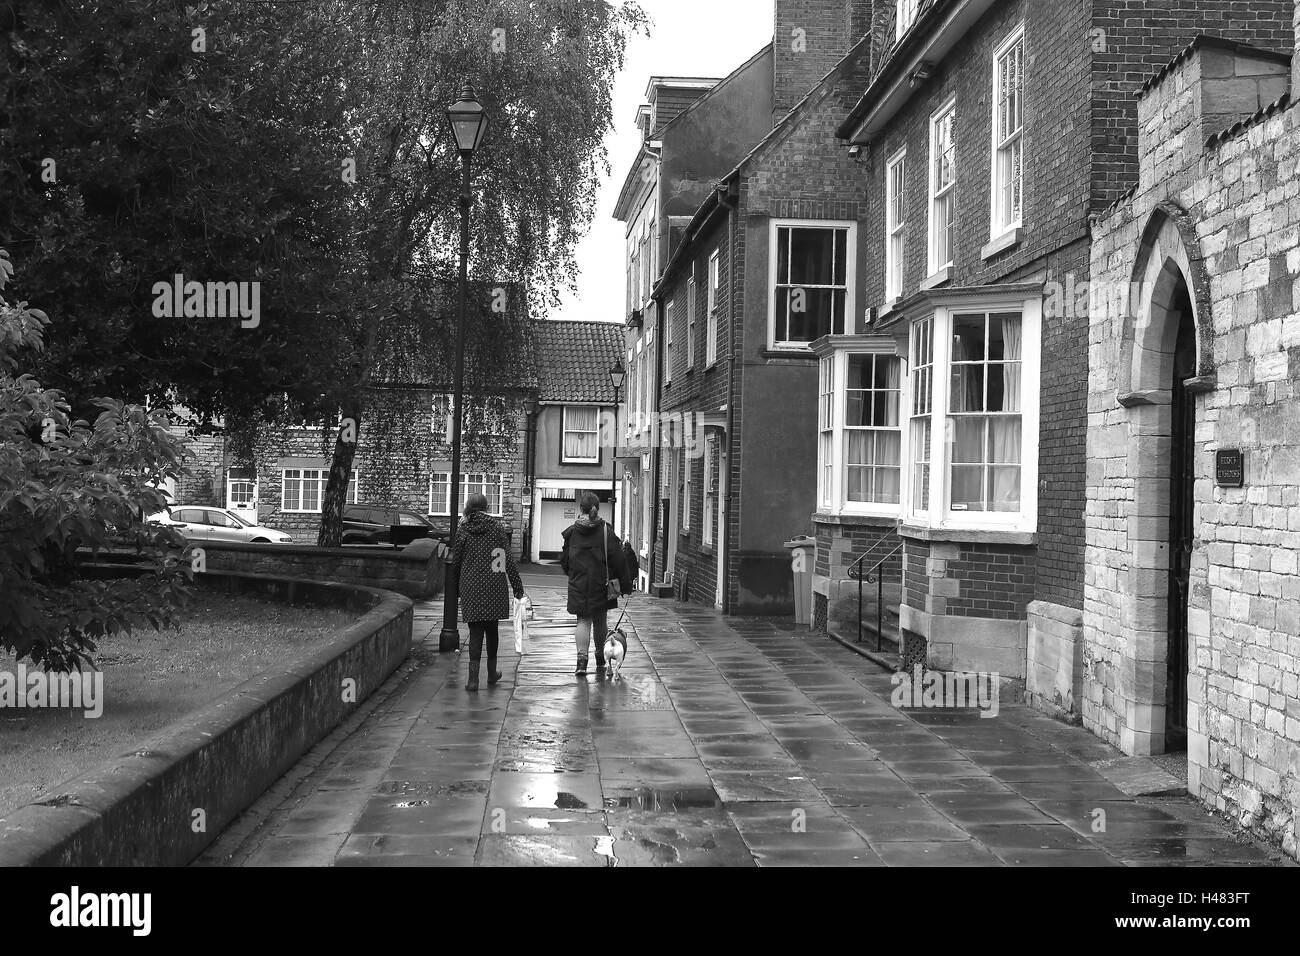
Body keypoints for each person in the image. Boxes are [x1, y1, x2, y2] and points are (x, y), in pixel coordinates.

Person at [449, 492, 524, 692]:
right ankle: (491, 673)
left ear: (468, 506)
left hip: (470, 586)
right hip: (494, 585)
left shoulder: (463, 529)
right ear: (486, 507)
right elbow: (507, 559)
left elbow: (456, 563)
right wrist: (517, 587)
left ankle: (473, 680)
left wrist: (455, 589)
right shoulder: (496, 528)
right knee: (492, 631)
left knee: (475, 632)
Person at [560, 491, 632, 677]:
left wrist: (573, 575)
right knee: (600, 621)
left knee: (583, 621)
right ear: (597, 509)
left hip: (578, 584)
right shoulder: (606, 532)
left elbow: (565, 561)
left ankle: (581, 663)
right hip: (601, 585)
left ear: (580, 508)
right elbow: (619, 560)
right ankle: (601, 659)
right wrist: (625, 586)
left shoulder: (572, 532)